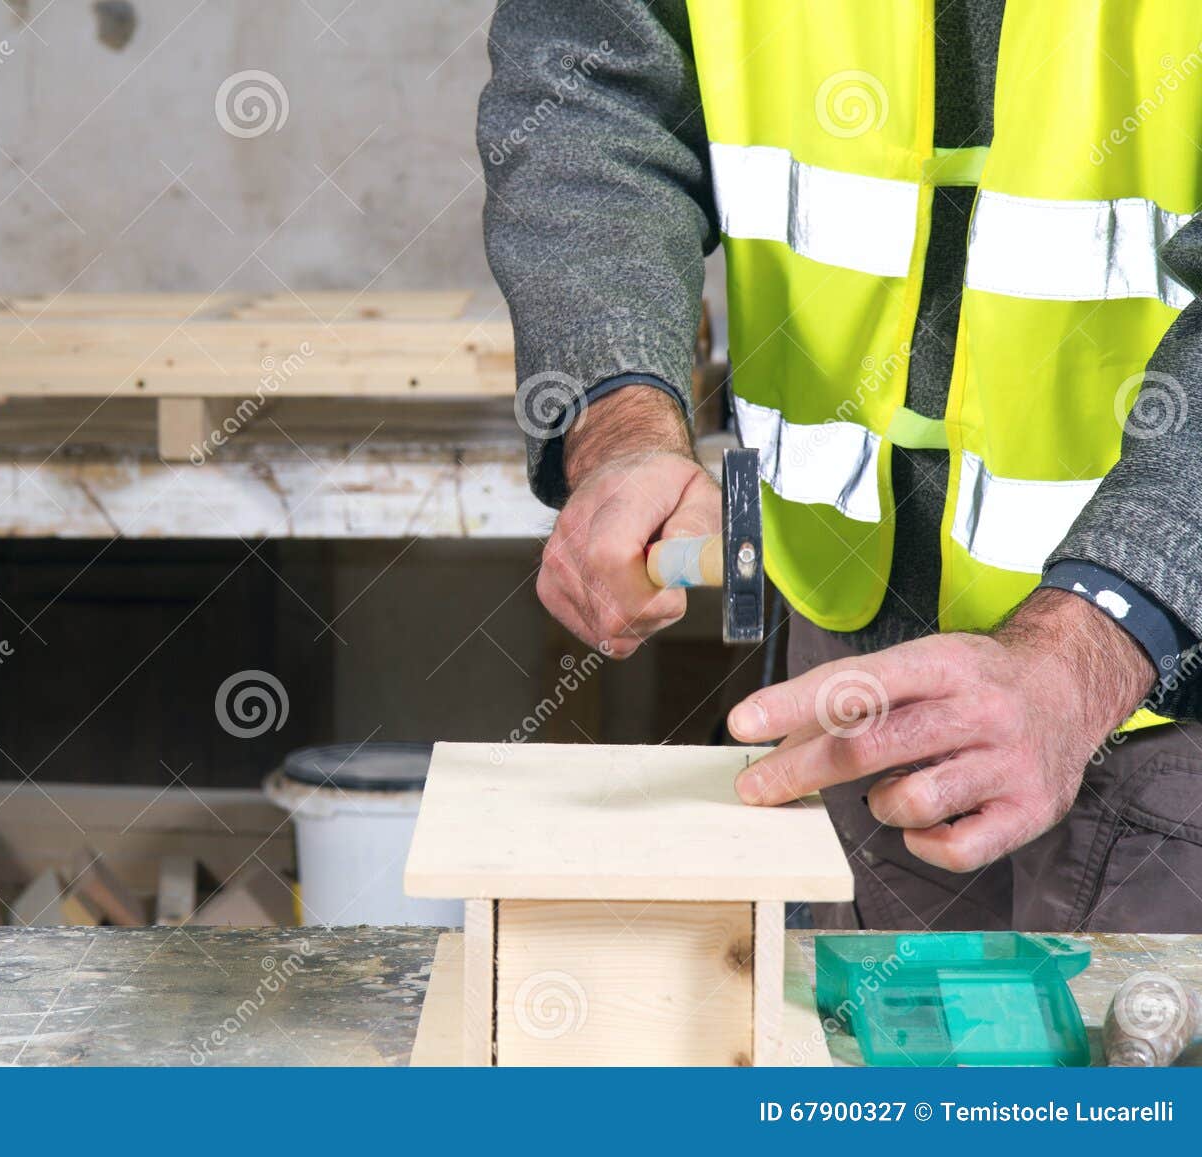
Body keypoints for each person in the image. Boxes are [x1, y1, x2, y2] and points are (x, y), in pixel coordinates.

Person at [480, 0, 1202, 932]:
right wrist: (617, 418)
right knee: (857, 1064)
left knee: (1119, 1072)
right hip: (856, 656)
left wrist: (1100, 638)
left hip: (1164, 682)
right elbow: (590, 84)